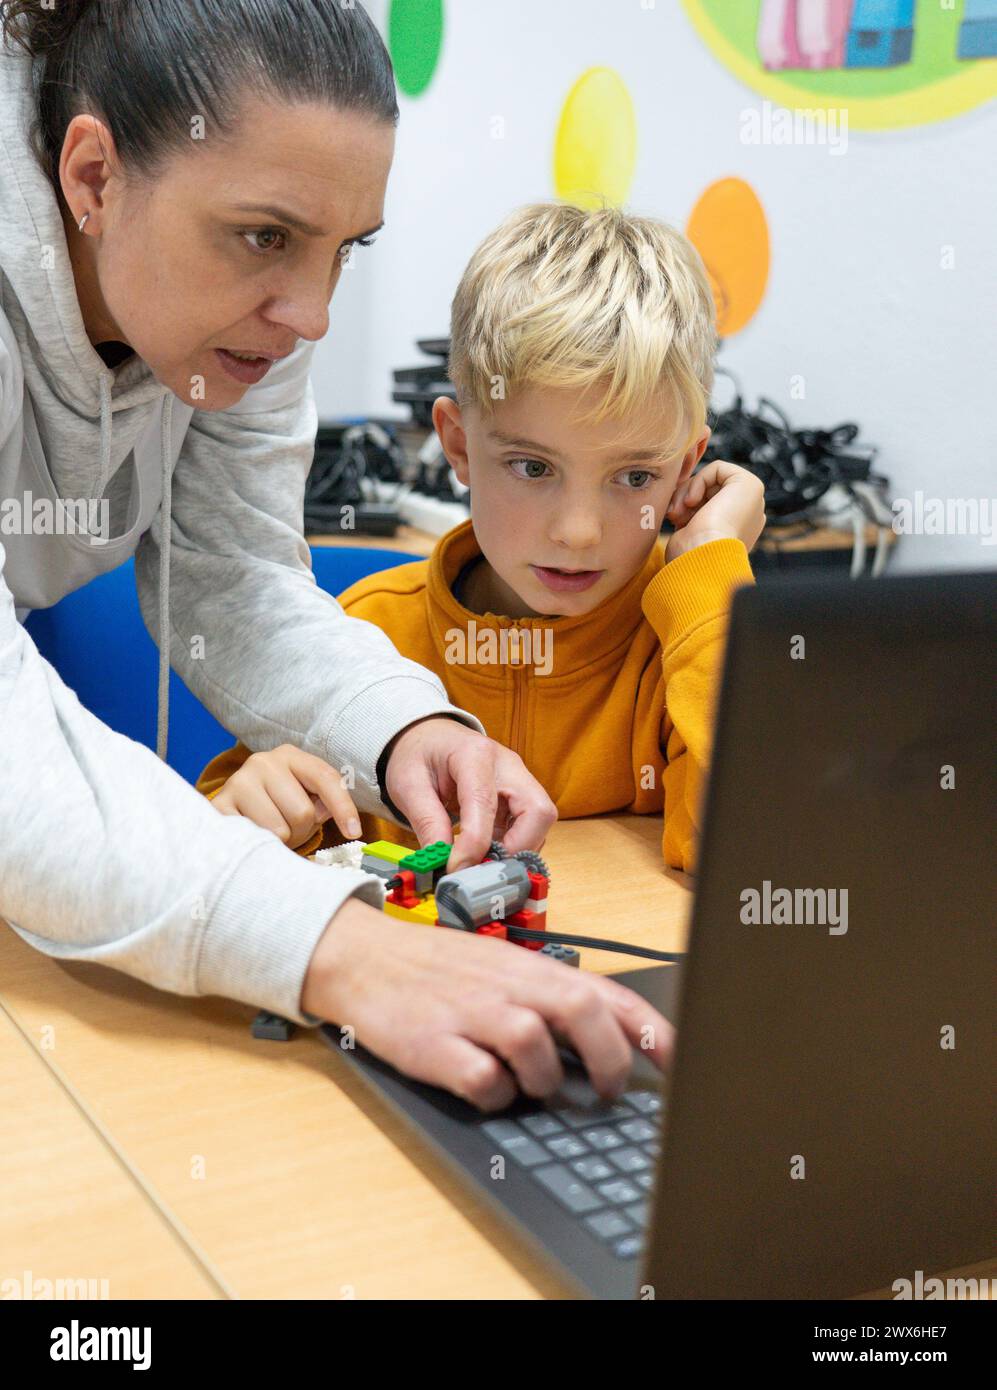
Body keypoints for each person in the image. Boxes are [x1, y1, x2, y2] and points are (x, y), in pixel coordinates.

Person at [0, 0, 673, 1113]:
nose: (310, 314)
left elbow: (239, 574)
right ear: (92, 176)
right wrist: (338, 953)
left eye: (343, 249)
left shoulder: (239, 320)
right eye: (265, 237)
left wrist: (401, 723)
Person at [199, 202, 765, 872]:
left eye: (634, 476)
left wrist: (708, 578)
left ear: (686, 468)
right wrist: (248, 815)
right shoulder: (364, 638)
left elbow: (753, 854)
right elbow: (232, 830)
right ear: (457, 445)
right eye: (533, 467)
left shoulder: (680, 645)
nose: (578, 532)